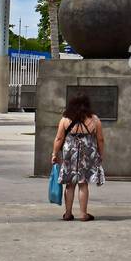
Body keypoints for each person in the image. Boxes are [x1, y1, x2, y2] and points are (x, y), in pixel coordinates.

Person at [51, 92, 106, 221]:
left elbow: (59, 138)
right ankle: (83, 214)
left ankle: (68, 213)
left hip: (70, 153)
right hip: (87, 153)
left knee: (70, 184)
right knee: (83, 183)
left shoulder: (65, 119)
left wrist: (54, 153)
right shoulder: (95, 119)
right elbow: (100, 139)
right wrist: (100, 154)